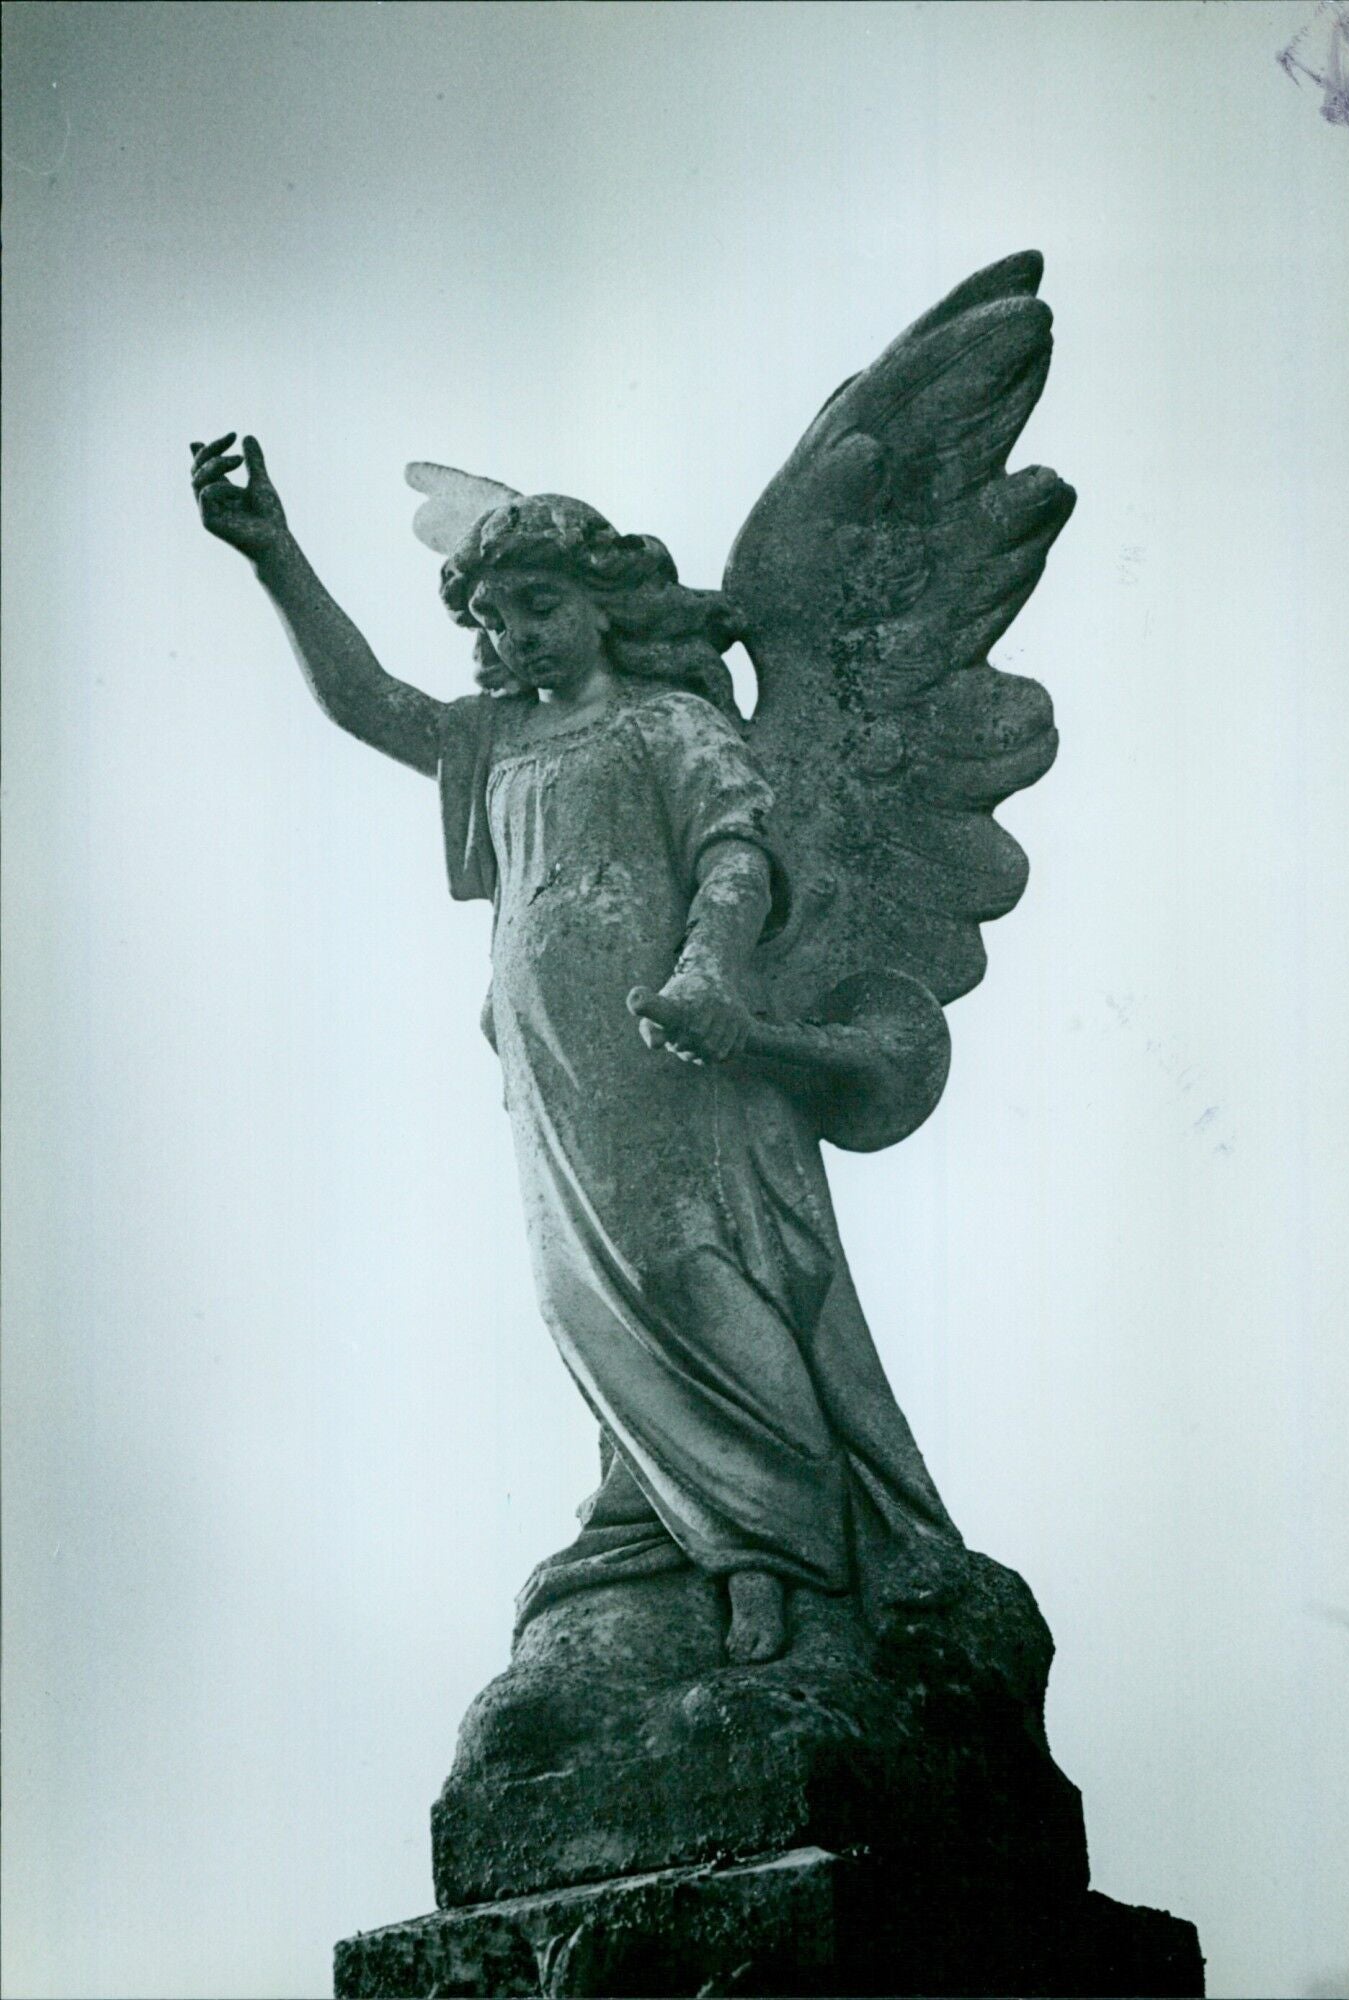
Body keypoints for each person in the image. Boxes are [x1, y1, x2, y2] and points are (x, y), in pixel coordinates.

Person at [190, 433, 966, 1664]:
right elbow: (365, 700)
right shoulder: (495, 744)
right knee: (579, 1293)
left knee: (695, 1272)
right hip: (557, 1080)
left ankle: (781, 1553)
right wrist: (274, 554)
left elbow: (733, 851)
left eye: (539, 606)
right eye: (488, 622)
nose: (511, 640)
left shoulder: (664, 724)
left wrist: (709, 966)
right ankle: (662, 1516)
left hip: (681, 1058)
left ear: (602, 605)